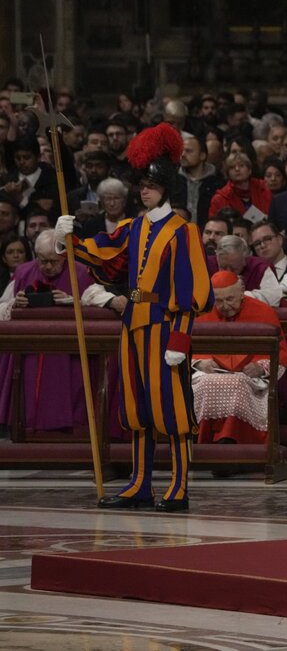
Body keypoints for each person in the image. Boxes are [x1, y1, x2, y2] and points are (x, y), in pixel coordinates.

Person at [54, 122, 214, 512]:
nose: (142, 190)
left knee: (172, 408)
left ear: (166, 187)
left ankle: (178, 486)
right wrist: (68, 238)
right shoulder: (134, 226)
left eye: (150, 184)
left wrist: (180, 340)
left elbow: (192, 294)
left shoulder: (183, 232)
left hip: (164, 327)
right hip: (133, 325)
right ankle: (140, 483)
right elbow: (106, 255)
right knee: (137, 407)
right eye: (140, 184)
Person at [0, 230, 115, 434]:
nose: (48, 267)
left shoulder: (80, 273)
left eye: (54, 261)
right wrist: (14, 304)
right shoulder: (24, 272)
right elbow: (2, 309)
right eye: (43, 261)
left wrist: (75, 301)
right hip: (30, 351)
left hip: (69, 354)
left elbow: (104, 304)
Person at [191, 271, 287, 445]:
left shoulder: (263, 312)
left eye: (230, 299)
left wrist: (261, 367)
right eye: (219, 301)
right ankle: (203, 443)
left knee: (237, 383)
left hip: (250, 377)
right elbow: (186, 351)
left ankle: (233, 443)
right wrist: (199, 363)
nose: (225, 306)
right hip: (208, 374)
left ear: (242, 291)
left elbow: (280, 354)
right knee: (206, 384)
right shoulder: (202, 313)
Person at [207, 235, 283, 306]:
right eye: (223, 267)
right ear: (217, 257)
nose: (228, 272)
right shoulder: (206, 265)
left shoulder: (260, 267)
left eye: (234, 269)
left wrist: (240, 296)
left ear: (245, 260)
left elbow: (274, 297)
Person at [208, 152, 272, 222]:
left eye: (241, 166)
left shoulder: (264, 189)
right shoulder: (220, 199)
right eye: (232, 167)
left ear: (249, 170)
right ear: (227, 173)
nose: (237, 169)